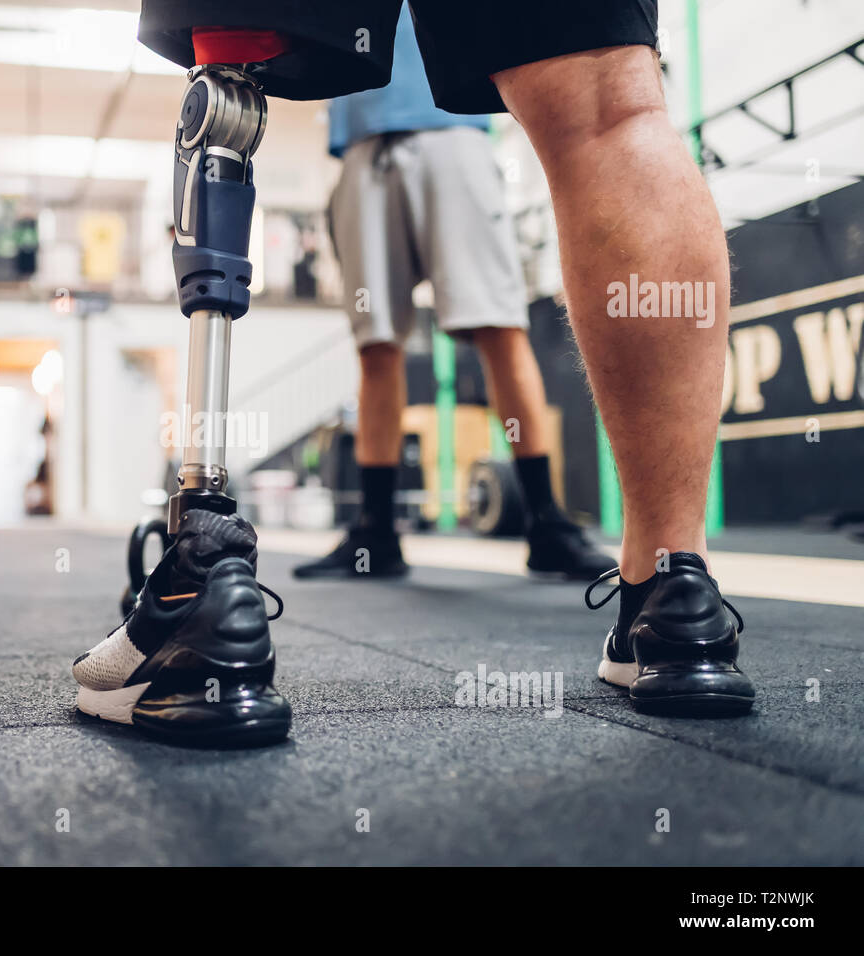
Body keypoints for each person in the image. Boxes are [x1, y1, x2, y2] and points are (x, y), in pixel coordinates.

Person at [72, 1, 755, 745]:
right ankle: (670, 588)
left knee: (230, 61)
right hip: (368, 143)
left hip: (447, 139)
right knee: (610, 109)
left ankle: (200, 582)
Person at [293, 5, 614, 583]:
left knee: (497, 327)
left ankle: (546, 522)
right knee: (376, 345)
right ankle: (376, 532)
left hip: (456, 128)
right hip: (362, 145)